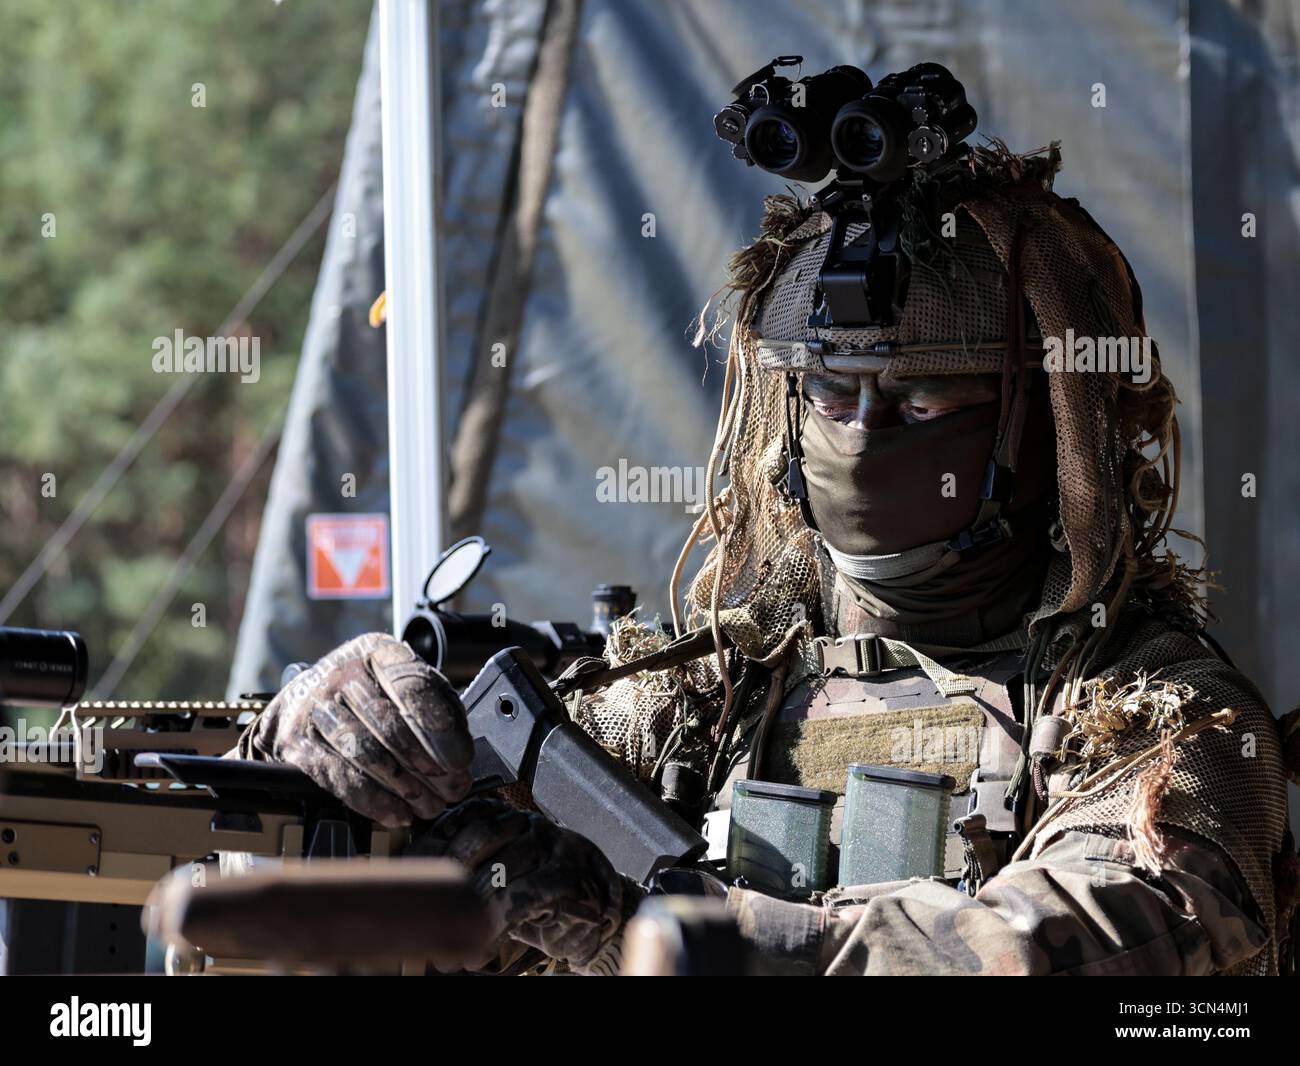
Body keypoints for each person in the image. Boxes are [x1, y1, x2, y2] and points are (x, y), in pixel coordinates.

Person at [235, 136, 1296, 976]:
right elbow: (333, 894)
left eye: (925, 400)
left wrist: (641, 931)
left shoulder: (1160, 723)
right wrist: (317, 728)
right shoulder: (704, 698)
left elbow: (1030, 956)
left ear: (1050, 435)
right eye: (830, 395)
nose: (865, 435)